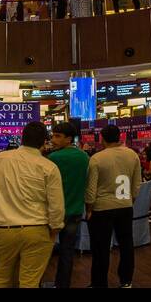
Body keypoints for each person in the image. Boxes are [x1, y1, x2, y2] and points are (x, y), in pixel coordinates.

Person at [0, 121, 65, 288]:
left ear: (22, 138)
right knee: (29, 282)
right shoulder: (49, 167)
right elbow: (56, 205)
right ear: (43, 142)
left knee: (1, 277)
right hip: (38, 229)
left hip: (5, 230)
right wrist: (55, 230)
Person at [85, 124, 143, 288]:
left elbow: (91, 188)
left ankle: (99, 283)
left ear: (102, 138)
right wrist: (130, 201)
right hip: (125, 205)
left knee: (100, 248)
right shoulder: (132, 155)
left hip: (101, 208)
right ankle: (126, 280)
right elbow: (137, 183)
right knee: (126, 245)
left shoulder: (97, 158)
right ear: (120, 137)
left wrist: (89, 209)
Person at [46, 122, 90, 289]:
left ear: (69, 139)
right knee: (67, 251)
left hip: (53, 212)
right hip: (75, 211)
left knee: (45, 249)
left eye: (58, 136)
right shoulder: (84, 157)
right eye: (53, 135)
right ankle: (62, 284)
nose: (53, 139)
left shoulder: (53, 158)